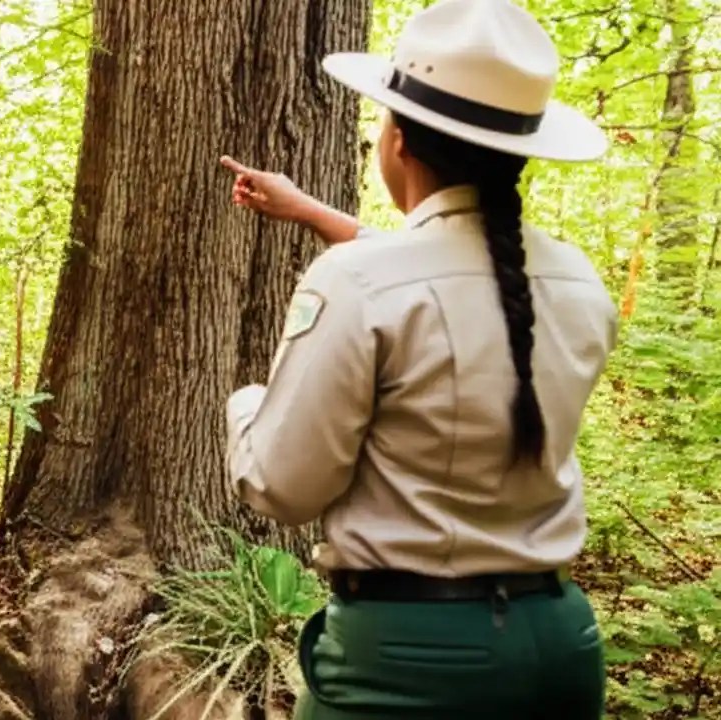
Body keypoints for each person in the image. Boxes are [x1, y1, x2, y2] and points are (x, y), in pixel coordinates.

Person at [221, 0, 616, 717]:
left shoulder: (360, 285)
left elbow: (283, 488)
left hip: (408, 663)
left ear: (396, 140)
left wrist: (246, 405)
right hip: (563, 646)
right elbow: (453, 281)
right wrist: (312, 210)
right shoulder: (578, 280)